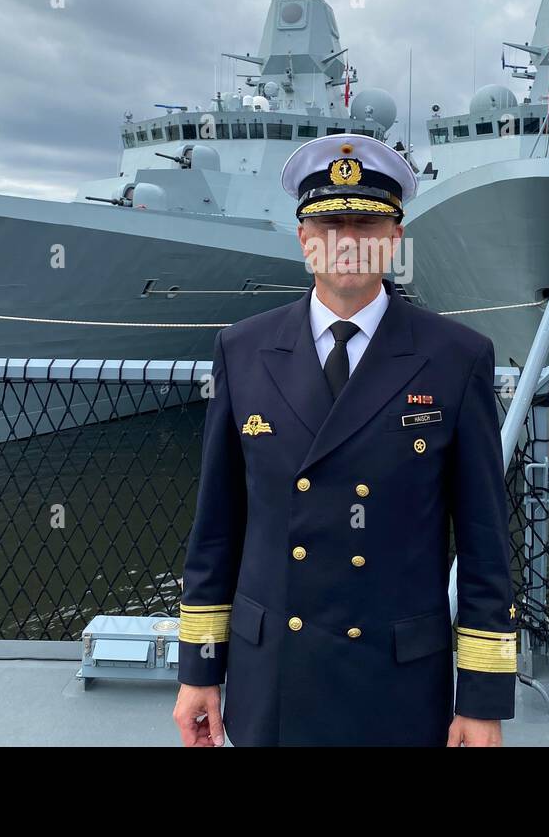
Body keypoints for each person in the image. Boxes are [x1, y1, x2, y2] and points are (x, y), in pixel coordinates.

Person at [172, 133, 517, 747]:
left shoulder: (455, 358)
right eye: (330, 226)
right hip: (273, 671)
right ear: (304, 240)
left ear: (395, 239)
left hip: (395, 679)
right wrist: (200, 669)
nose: (347, 243)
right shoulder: (243, 350)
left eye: (366, 224)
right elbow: (217, 528)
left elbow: (486, 543)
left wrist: (482, 700)